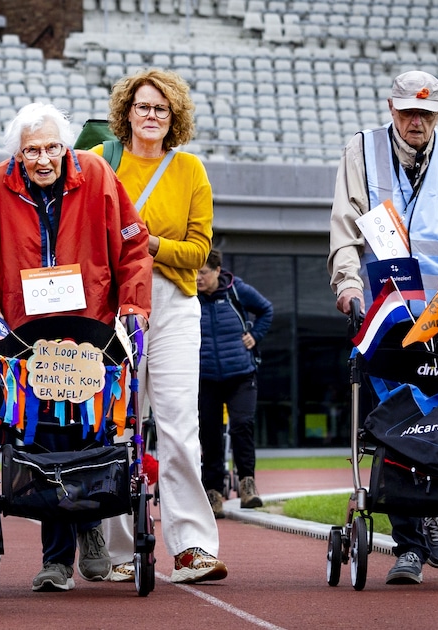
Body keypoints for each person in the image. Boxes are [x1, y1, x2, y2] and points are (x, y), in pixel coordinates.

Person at [328, 70, 438, 586]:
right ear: (391, 108)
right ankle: (409, 543)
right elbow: (345, 225)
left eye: (426, 114)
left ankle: (437, 508)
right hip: (387, 310)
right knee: (396, 417)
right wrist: (347, 284)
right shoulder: (360, 151)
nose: (417, 121)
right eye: (408, 111)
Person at [0, 102, 152, 591]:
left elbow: (133, 248)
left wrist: (133, 306)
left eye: (51, 147)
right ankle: (56, 559)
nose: (43, 159)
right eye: (31, 151)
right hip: (23, 335)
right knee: (44, 437)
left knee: (90, 433)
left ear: (66, 146)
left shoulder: (96, 174)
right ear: (17, 155)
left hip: (90, 329)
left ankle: (89, 530)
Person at [91, 68, 224, 584]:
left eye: (161, 109)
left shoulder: (191, 170)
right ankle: (121, 548)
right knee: (120, 426)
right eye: (143, 106)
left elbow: (197, 252)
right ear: (126, 112)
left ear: (175, 118)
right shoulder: (101, 163)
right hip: (115, 304)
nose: (151, 115)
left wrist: (146, 245)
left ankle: (192, 546)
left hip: (173, 305)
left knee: (178, 426)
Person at [196, 248, 272, 517]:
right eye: (195, 272)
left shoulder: (236, 291)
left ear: (217, 271)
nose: (198, 278)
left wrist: (255, 335)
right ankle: (214, 492)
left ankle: (247, 485)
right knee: (210, 434)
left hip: (241, 374)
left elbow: (266, 310)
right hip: (206, 377)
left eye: (203, 272)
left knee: (242, 426)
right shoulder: (190, 297)